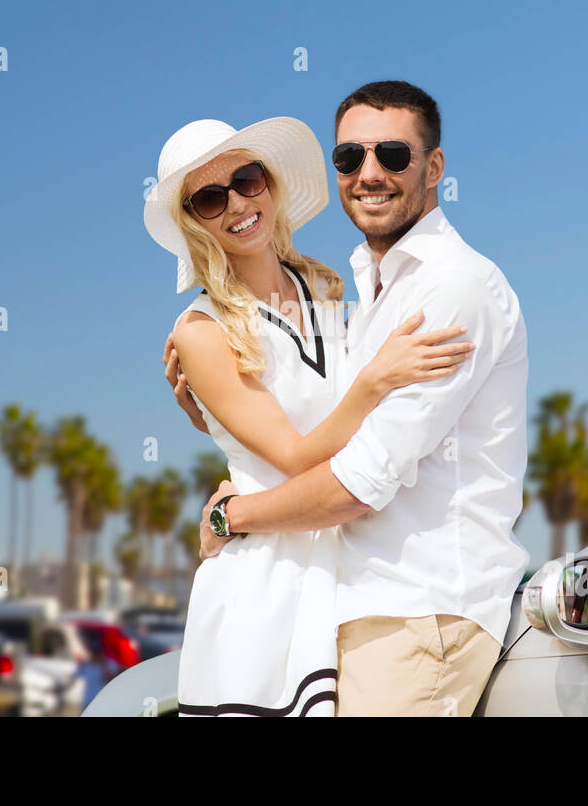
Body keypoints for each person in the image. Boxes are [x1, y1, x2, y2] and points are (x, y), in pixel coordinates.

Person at [173, 82, 530, 716]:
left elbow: (358, 478)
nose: (236, 204)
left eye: (247, 180)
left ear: (434, 168)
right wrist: (221, 424)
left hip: (411, 602)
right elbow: (296, 448)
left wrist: (232, 515)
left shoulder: (377, 289)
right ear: (191, 221)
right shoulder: (354, 295)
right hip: (292, 590)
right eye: (209, 197)